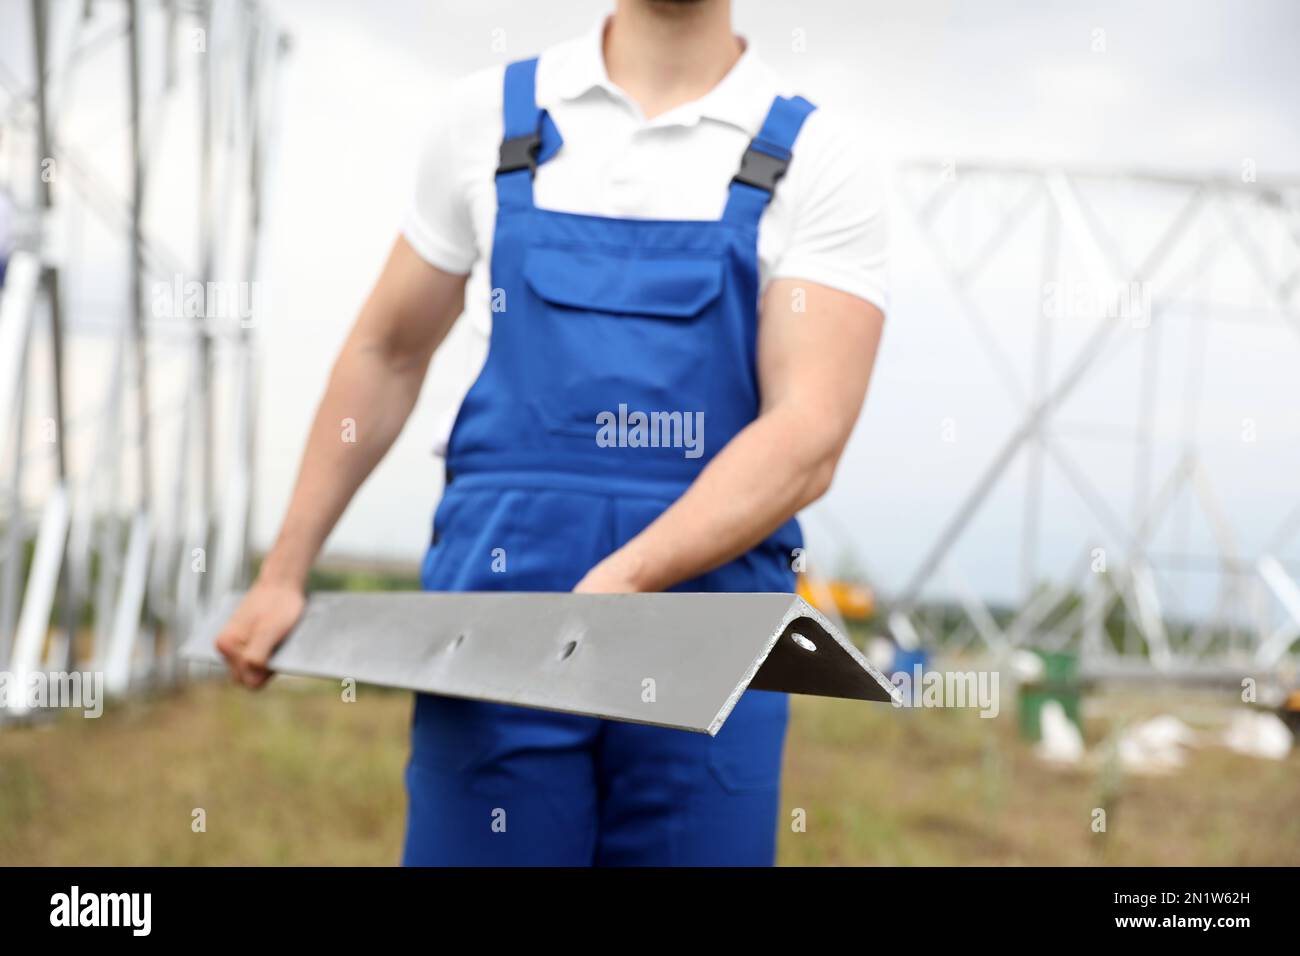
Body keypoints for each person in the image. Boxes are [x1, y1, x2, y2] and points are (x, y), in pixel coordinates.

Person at [216, 0, 886, 866]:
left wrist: (621, 583)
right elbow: (384, 355)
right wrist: (282, 572)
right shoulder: (487, 121)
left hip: (708, 645)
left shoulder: (820, 159)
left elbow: (810, 431)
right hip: (499, 631)